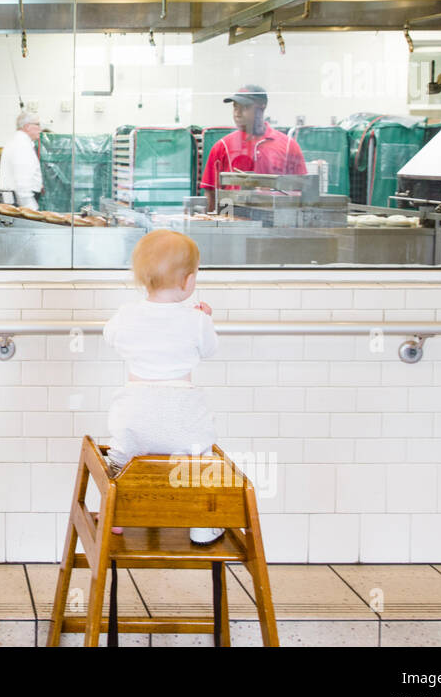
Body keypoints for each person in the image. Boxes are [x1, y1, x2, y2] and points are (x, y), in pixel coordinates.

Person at [100, 229, 222, 544]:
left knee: (120, 457)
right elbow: (208, 351)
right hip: (183, 419)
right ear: (189, 281)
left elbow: (110, 338)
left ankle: (115, 514)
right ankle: (201, 523)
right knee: (202, 459)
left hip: (134, 417)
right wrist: (204, 320)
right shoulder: (196, 321)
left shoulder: (126, 315)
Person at [200, 84, 307, 213]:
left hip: (276, 222)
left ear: (262, 106)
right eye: (235, 107)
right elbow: (211, 194)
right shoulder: (222, 147)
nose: (237, 114)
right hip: (233, 222)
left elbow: (302, 191)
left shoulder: (289, 146)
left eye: (245, 107)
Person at [0, 111, 43, 209]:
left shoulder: (17, 141)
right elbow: (22, 182)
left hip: (16, 199)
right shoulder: (22, 145)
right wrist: (31, 208)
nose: (40, 129)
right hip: (20, 201)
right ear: (27, 126)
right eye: (38, 125)